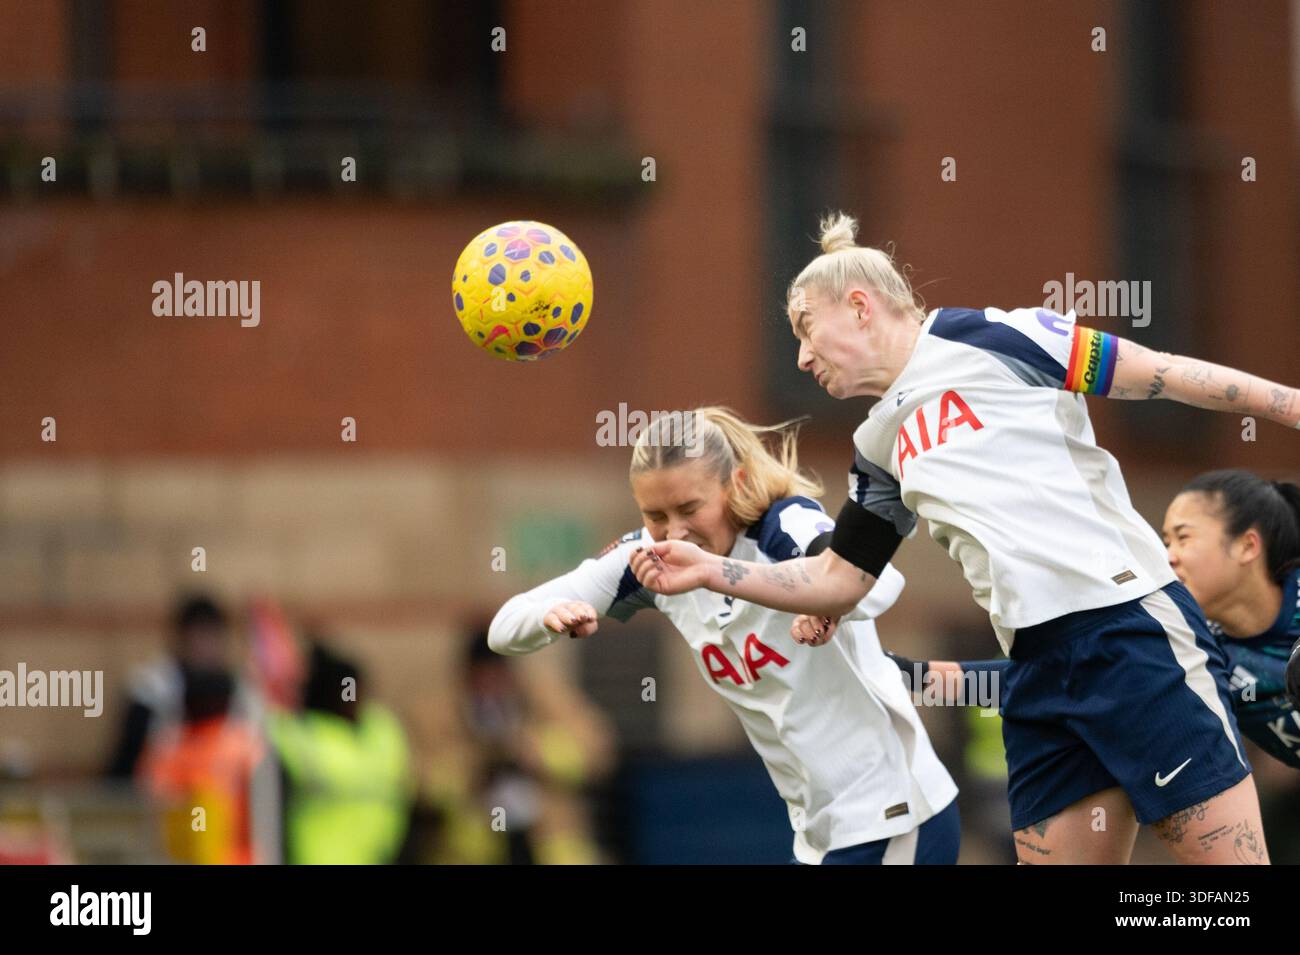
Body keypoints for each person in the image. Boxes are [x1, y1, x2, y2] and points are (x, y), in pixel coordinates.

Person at [629, 212, 1300, 864]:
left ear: (859, 305)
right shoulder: (878, 442)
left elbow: (1166, 372)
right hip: (1035, 668)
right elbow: (837, 579)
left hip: (1130, 630)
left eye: (806, 329)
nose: (801, 357)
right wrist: (708, 570)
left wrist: (1292, 405)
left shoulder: (1003, 337)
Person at [490, 407, 959, 865]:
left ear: (735, 483)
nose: (675, 532)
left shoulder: (784, 526)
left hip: (895, 814)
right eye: (655, 515)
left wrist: (732, 575)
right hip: (822, 832)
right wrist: (552, 615)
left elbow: (879, 586)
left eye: (689, 508)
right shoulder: (650, 559)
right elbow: (503, 628)